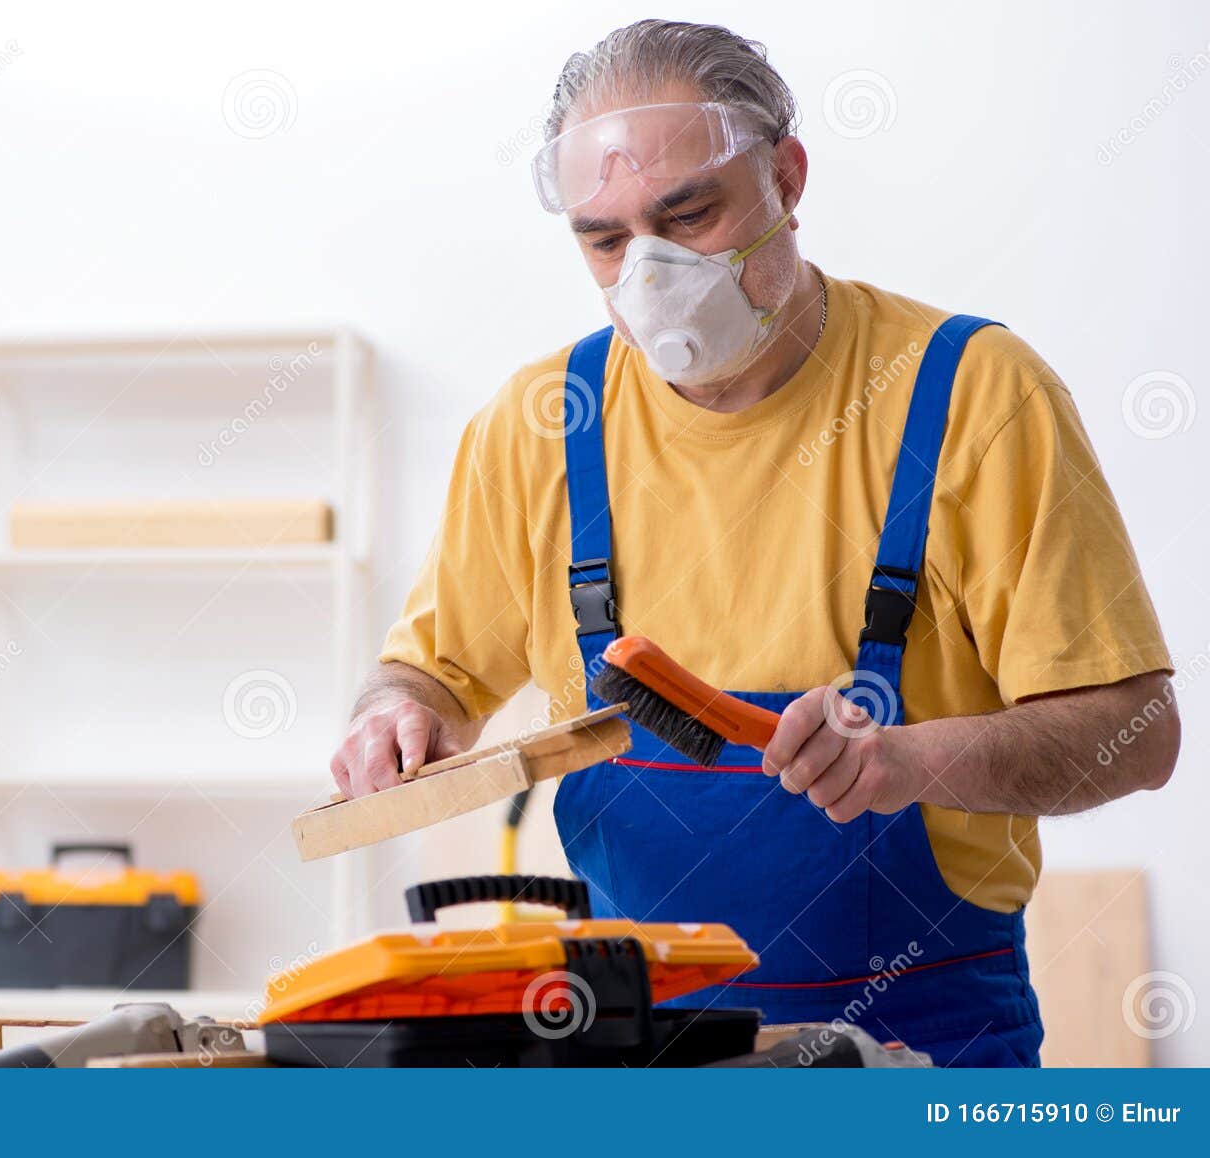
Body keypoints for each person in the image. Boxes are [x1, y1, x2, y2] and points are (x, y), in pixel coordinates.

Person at [329, 20, 1177, 1066]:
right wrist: (395, 713)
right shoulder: (542, 424)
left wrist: (907, 760)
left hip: (924, 1054)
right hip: (631, 1053)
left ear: (785, 175)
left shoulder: (972, 394)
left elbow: (1135, 732)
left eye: (688, 213)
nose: (650, 269)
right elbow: (427, 673)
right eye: (605, 238)